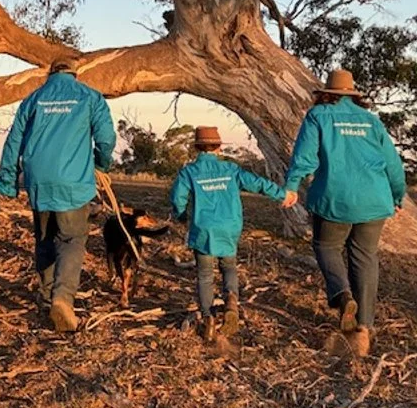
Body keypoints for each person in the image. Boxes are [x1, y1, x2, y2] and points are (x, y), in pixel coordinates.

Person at [283, 69, 406, 356]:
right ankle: (363, 328)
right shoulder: (371, 121)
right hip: (374, 200)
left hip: (334, 199)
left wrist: (291, 186)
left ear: (327, 94)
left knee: (326, 246)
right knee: (365, 258)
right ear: (353, 95)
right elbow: (392, 162)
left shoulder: (318, 116)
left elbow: (304, 157)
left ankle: (342, 294)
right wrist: (398, 193)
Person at [0, 58, 116, 332]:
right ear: (75, 74)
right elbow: (107, 137)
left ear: (51, 73)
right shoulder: (90, 97)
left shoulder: (33, 99)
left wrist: (8, 178)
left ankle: (47, 293)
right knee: (72, 239)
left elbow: (14, 139)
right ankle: (62, 299)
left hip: (38, 180)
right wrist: (101, 164)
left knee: (44, 237)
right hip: (74, 182)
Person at [170, 126, 292, 344]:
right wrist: (282, 193)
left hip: (203, 230)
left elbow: (178, 198)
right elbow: (258, 184)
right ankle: (231, 303)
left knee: (205, 276)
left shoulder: (189, 172)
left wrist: (180, 216)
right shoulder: (231, 170)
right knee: (228, 267)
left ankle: (208, 319)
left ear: (197, 147)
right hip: (229, 228)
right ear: (218, 146)